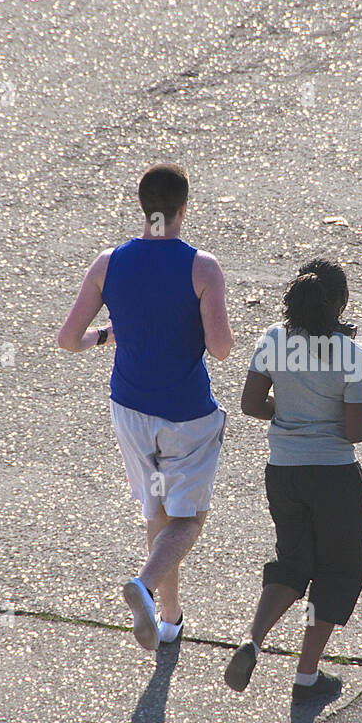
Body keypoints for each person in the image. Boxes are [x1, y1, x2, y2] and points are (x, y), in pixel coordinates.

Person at [57, 162, 233, 651]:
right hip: (187, 416)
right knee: (188, 520)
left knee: (157, 512)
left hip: (130, 412)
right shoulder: (202, 267)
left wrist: (106, 335)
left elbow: (69, 339)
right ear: (182, 209)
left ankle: (169, 618)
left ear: (141, 205)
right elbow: (220, 348)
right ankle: (144, 585)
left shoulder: (108, 262)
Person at [226, 258, 362, 706]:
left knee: (293, 563)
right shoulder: (355, 356)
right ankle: (305, 675)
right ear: (340, 304)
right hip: (334, 477)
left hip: (284, 474)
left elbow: (249, 404)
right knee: (339, 571)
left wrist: (288, 412)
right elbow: (354, 431)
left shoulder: (272, 341)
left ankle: (254, 640)